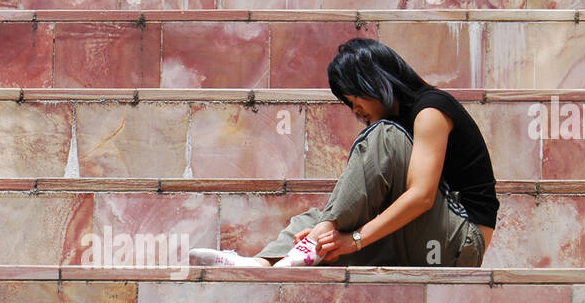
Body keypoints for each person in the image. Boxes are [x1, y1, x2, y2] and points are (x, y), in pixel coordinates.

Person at [189, 37, 498, 268]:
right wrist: (336, 233)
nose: (356, 110)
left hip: (459, 243)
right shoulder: (399, 124)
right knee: (316, 221)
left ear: (374, 83)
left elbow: (421, 196)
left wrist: (353, 239)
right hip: (422, 240)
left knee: (382, 139)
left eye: (354, 99)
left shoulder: (430, 110)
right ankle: (262, 265)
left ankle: (315, 238)